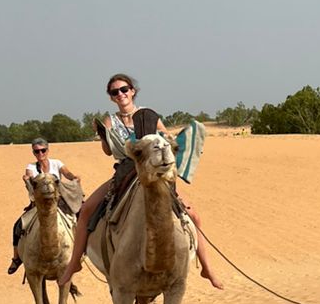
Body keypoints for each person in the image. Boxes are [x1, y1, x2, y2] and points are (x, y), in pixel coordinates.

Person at [57, 73, 222, 289]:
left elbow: (166, 140)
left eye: (124, 89)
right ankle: (74, 264)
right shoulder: (110, 120)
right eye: (115, 92)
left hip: (152, 172)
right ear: (111, 97)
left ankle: (206, 267)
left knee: (193, 216)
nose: (120, 94)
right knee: (87, 210)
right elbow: (108, 152)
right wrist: (102, 135)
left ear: (132, 91)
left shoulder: (148, 116)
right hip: (125, 170)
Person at [7, 139, 79, 274]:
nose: (40, 153)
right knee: (18, 226)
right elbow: (29, 176)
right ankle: (16, 258)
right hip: (38, 206)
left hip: (58, 203)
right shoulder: (31, 167)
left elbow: (67, 173)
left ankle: (81, 252)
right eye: (37, 151)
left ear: (47, 150)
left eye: (43, 150)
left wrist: (74, 177)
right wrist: (27, 179)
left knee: (80, 219)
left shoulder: (56, 163)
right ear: (33, 152)